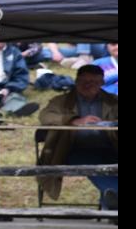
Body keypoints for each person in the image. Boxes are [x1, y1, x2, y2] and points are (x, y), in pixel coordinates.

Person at [36, 62, 116, 207]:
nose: (88, 85)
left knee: (109, 162)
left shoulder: (113, 101)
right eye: (84, 81)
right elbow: (45, 116)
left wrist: (110, 124)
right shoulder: (61, 101)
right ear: (76, 81)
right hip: (70, 150)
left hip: (110, 148)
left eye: (93, 82)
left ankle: (111, 205)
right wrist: (73, 121)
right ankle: (113, 199)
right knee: (92, 161)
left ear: (102, 83)